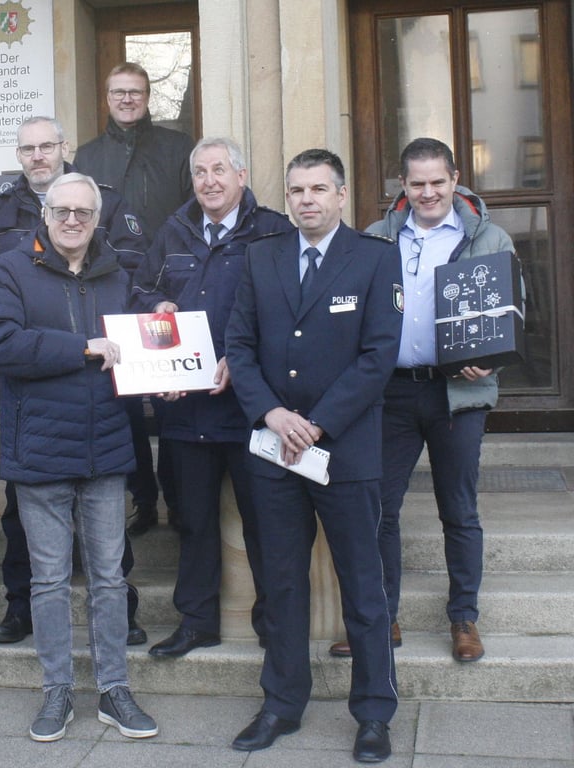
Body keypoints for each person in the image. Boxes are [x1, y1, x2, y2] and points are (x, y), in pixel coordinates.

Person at [225, 149, 402, 763]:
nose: (306, 200)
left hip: (346, 449)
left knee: (363, 586)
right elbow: (239, 346)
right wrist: (272, 414)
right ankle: (281, 704)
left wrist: (319, 422)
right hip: (274, 450)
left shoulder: (375, 258)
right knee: (280, 583)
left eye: (319, 189)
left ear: (341, 195)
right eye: (297, 189)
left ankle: (374, 713)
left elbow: (379, 355)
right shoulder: (262, 256)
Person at [0, 173, 158, 743]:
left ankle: (114, 690)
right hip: (40, 450)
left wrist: (165, 337)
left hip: (105, 448)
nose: (73, 220)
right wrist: (81, 347)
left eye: (83, 212)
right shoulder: (10, 269)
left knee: (109, 579)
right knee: (50, 580)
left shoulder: (116, 275)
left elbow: (141, 340)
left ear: (97, 218)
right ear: (45, 215)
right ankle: (56, 690)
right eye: (62, 211)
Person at [327, 138, 515, 664]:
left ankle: (464, 618)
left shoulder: (489, 237)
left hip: (459, 393)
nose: (428, 192)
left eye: (437, 181)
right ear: (402, 186)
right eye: (418, 183)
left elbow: (510, 313)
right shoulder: (376, 237)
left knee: (458, 510)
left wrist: (492, 360)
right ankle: (380, 619)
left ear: (455, 179)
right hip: (390, 392)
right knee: (378, 508)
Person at [130, 137, 293, 658]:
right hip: (187, 408)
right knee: (193, 521)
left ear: (241, 176)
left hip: (253, 409)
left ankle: (275, 626)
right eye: (200, 172)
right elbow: (139, 291)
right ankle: (197, 621)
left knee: (266, 521)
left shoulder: (272, 231)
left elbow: (292, 312)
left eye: (219, 170)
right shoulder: (173, 230)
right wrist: (158, 306)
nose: (209, 181)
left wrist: (244, 363)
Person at [76, 61, 194, 535]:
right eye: (118, 92)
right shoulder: (87, 157)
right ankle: (142, 500)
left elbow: (192, 215)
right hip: (108, 293)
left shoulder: (178, 148)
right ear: (107, 98)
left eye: (136, 92)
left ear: (147, 98)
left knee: (172, 402)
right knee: (123, 405)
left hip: (166, 291)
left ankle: (180, 502)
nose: (127, 99)